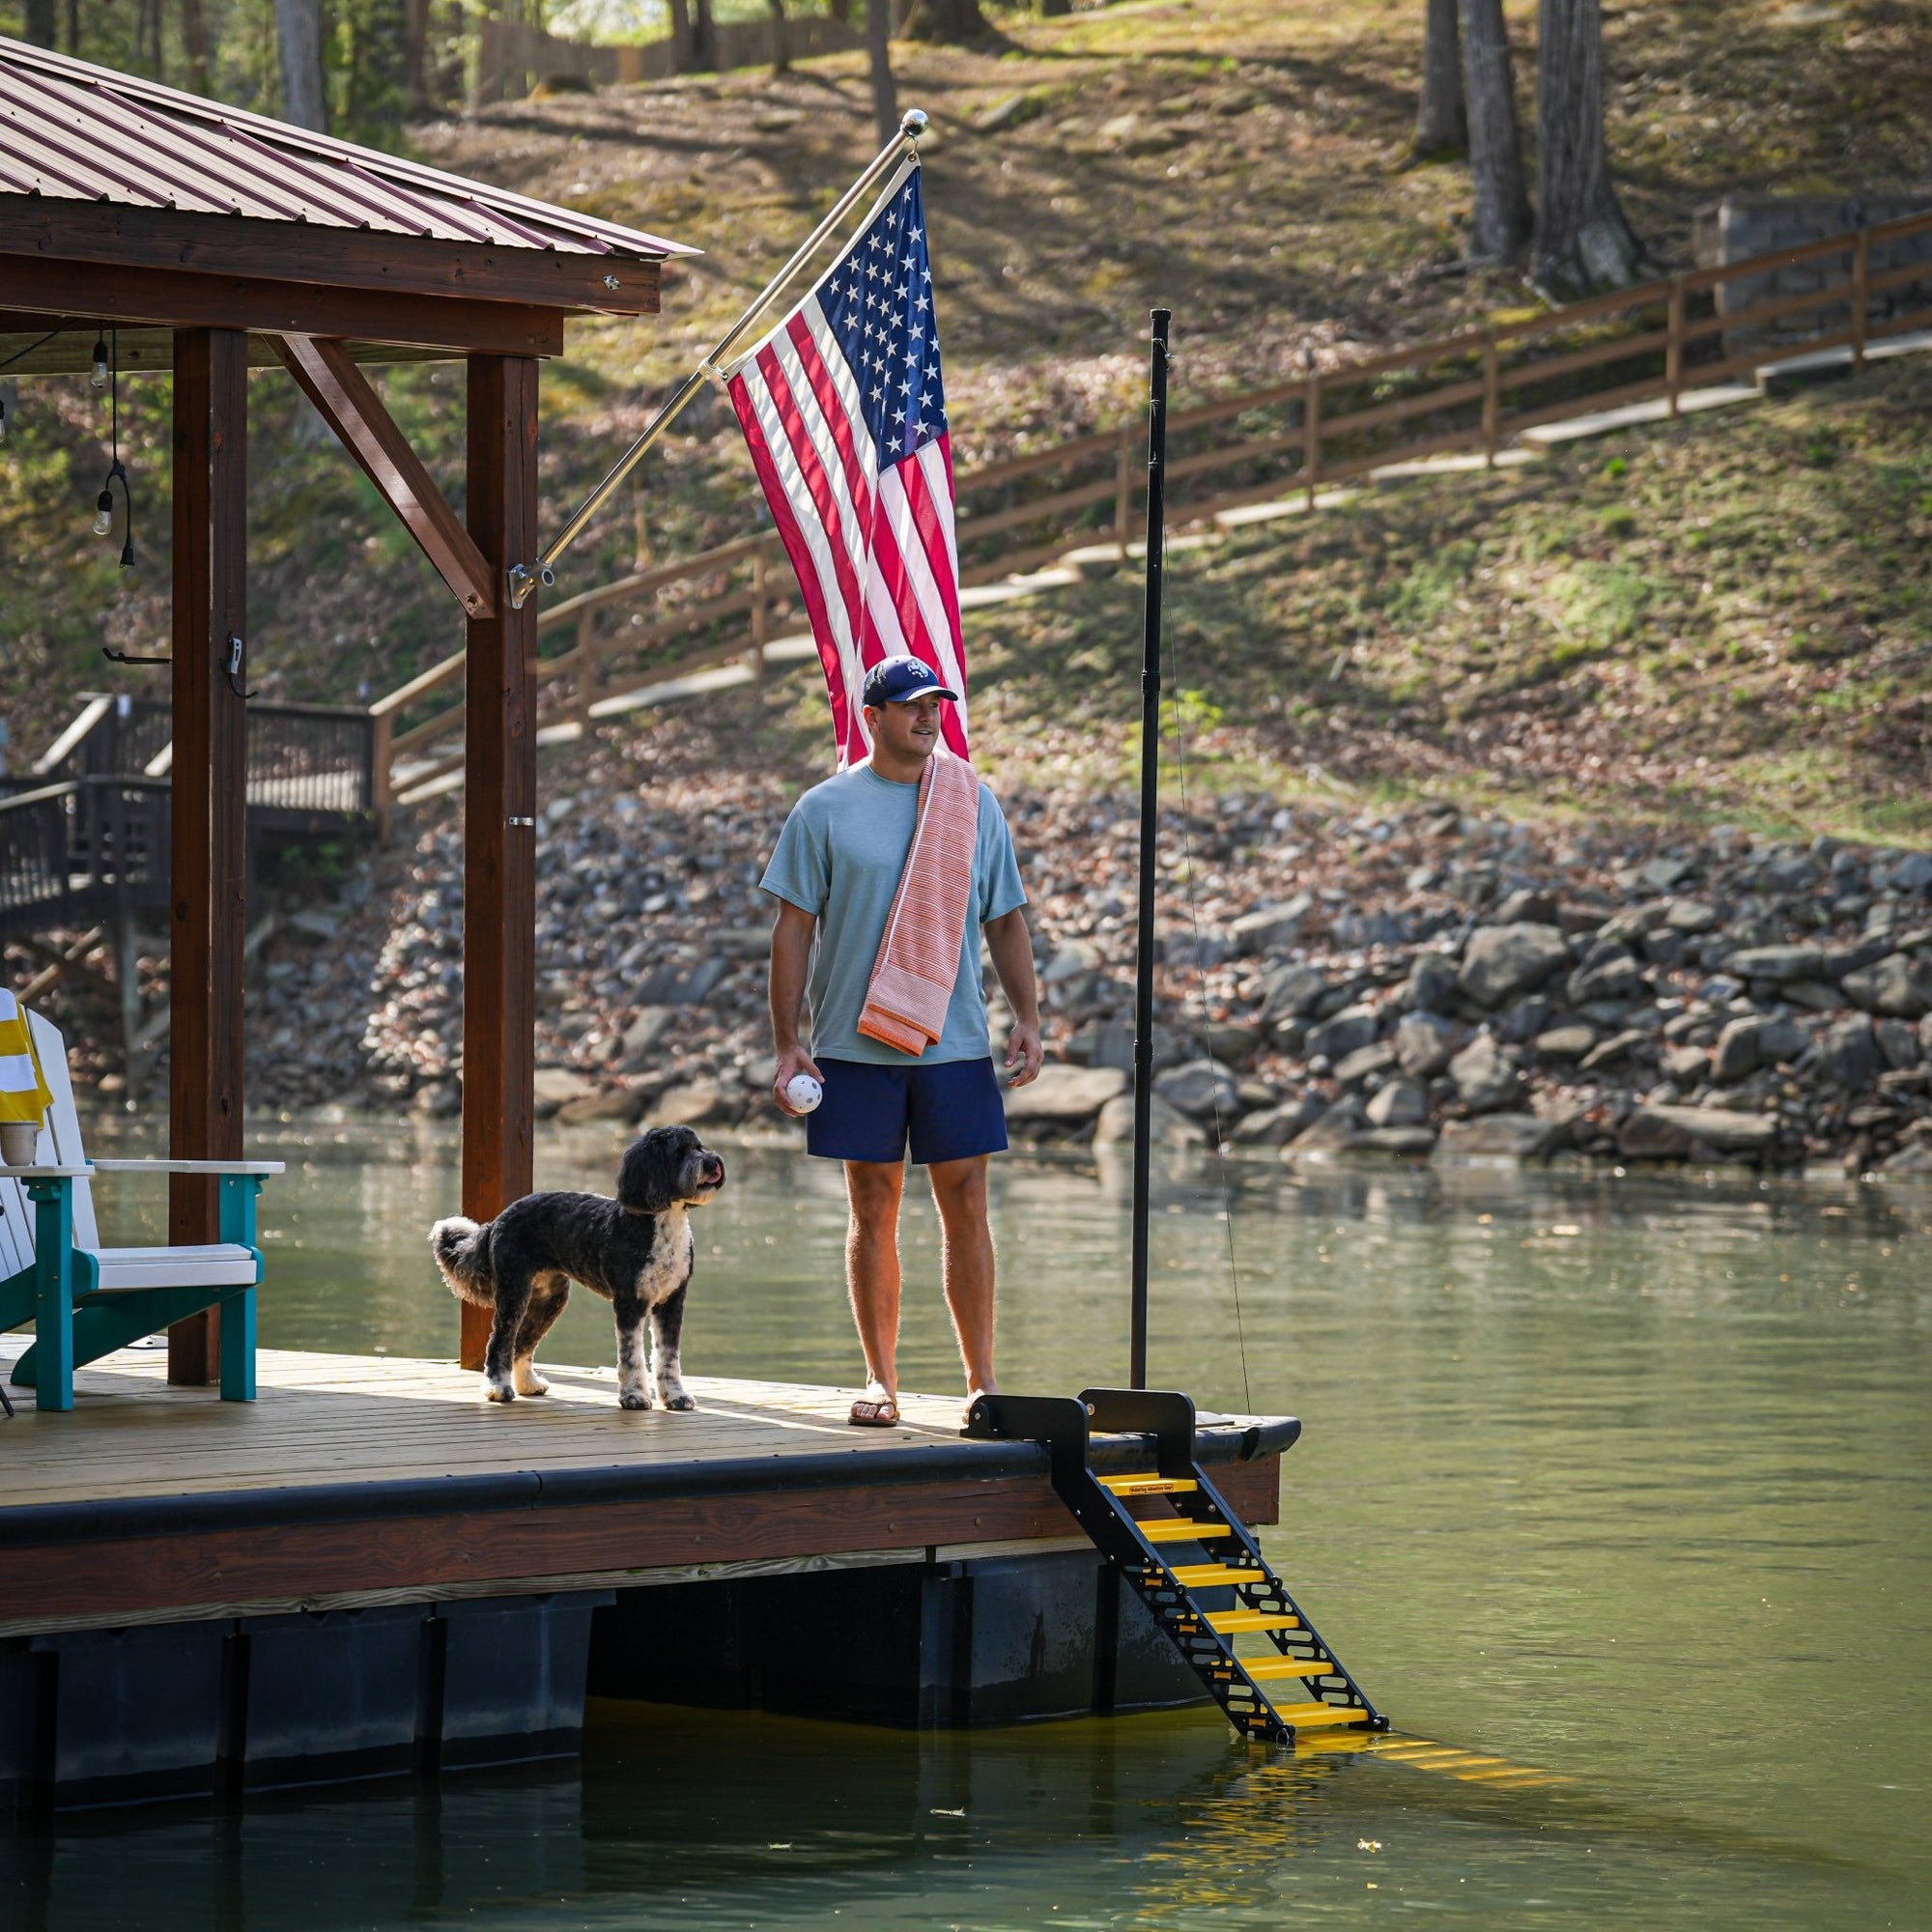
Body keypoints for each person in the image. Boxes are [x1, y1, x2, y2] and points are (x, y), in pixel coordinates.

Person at [761, 655, 1042, 1429]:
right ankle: (880, 1381)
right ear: (872, 716)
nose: (928, 717)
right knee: (873, 1206)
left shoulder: (971, 804)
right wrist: (790, 1043)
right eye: (911, 706)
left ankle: (981, 1383)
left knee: (968, 1204)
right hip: (855, 1047)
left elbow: (1007, 919)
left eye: (936, 706)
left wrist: (1028, 1015)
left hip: (953, 1044)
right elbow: (793, 930)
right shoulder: (823, 810)